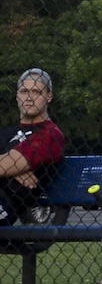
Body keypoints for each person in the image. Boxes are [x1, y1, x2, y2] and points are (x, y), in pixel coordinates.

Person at [0, 68, 66, 227]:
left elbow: (2, 167)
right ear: (17, 96)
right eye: (24, 91)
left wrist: (7, 167)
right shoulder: (7, 133)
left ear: (48, 97)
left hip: (5, 204)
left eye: (36, 92)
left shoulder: (50, 135)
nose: (29, 97)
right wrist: (13, 169)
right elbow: (5, 166)